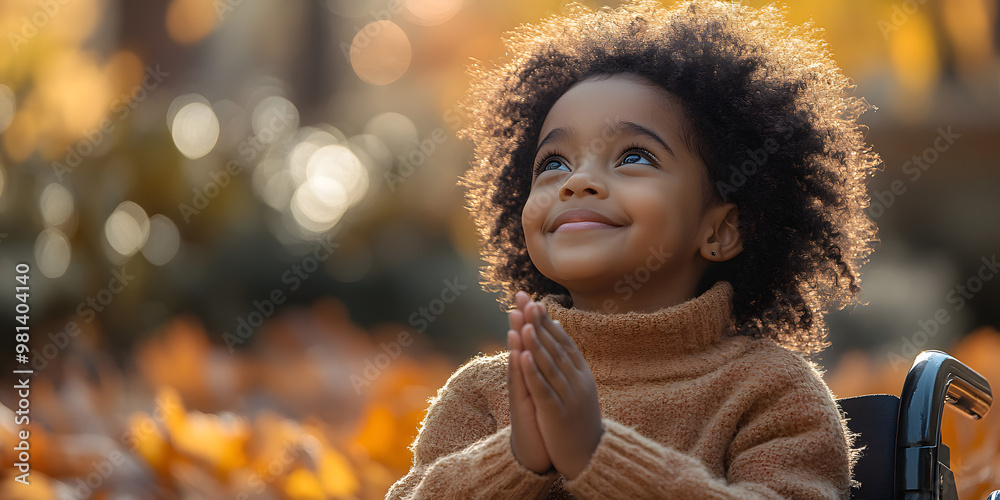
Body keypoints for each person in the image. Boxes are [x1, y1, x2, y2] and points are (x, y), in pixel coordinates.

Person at [386, 0, 879, 497]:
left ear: (721, 230)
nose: (577, 181)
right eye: (553, 162)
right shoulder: (484, 393)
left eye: (634, 156)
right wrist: (515, 459)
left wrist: (598, 456)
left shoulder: (770, 390)